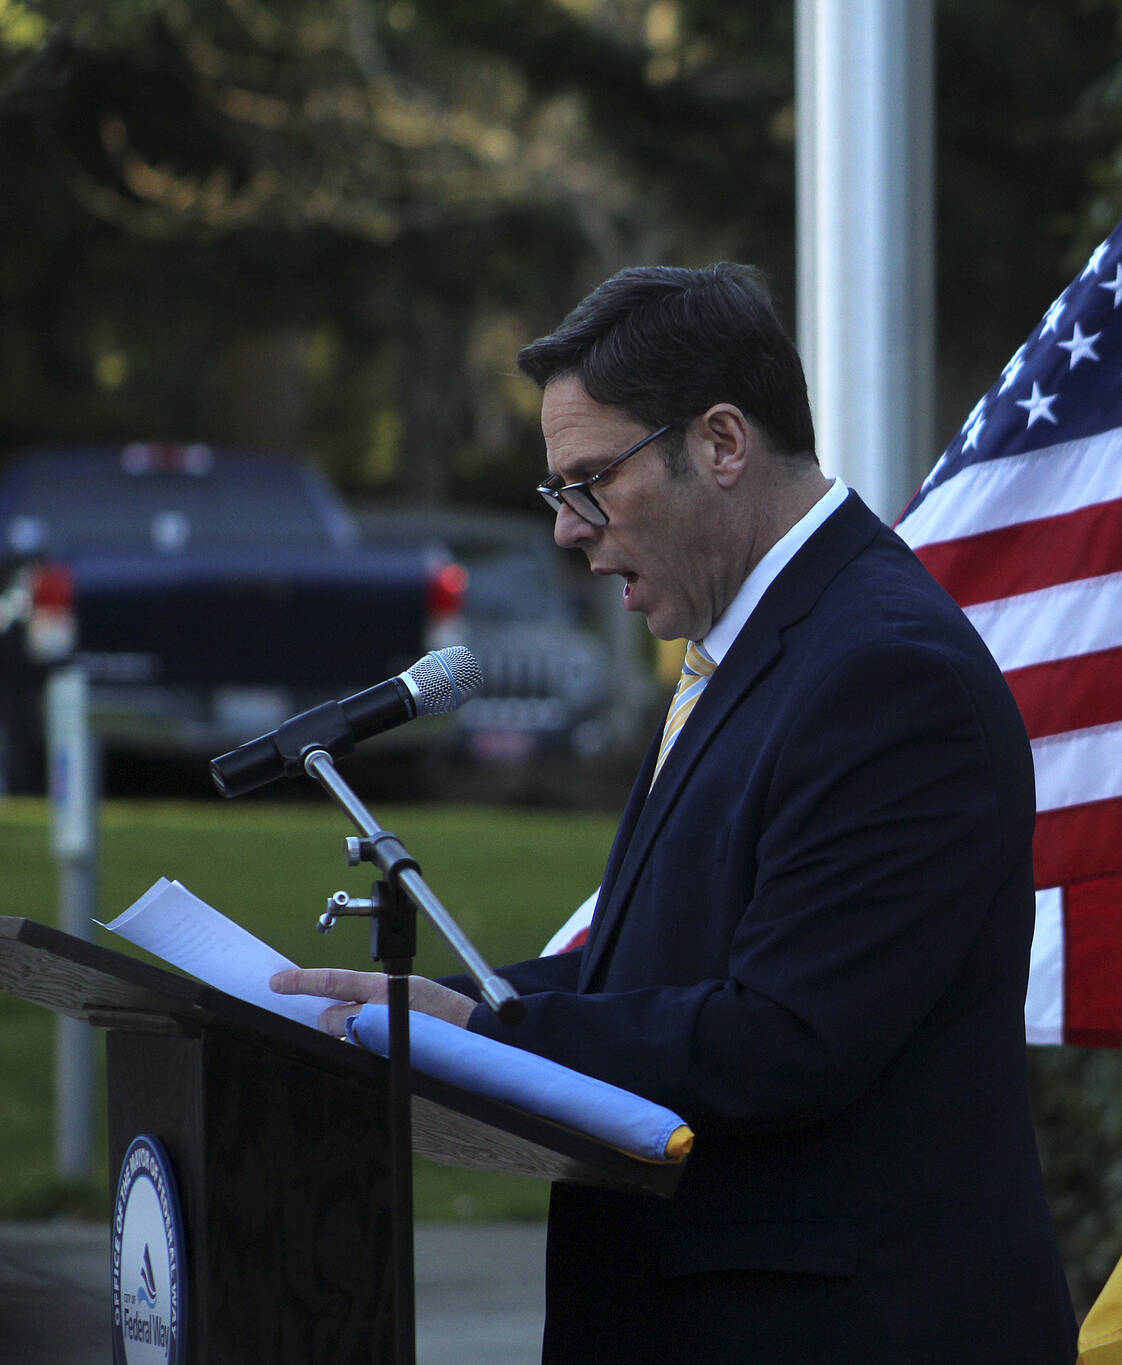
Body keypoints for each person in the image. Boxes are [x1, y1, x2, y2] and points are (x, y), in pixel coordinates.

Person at [274, 264, 1077, 1363]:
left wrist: (485, 1034)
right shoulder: (757, 643)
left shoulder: (884, 672)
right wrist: (427, 1008)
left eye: (589, 481)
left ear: (721, 444)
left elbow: (788, 1037)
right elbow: (656, 972)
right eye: (558, 492)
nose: (568, 529)